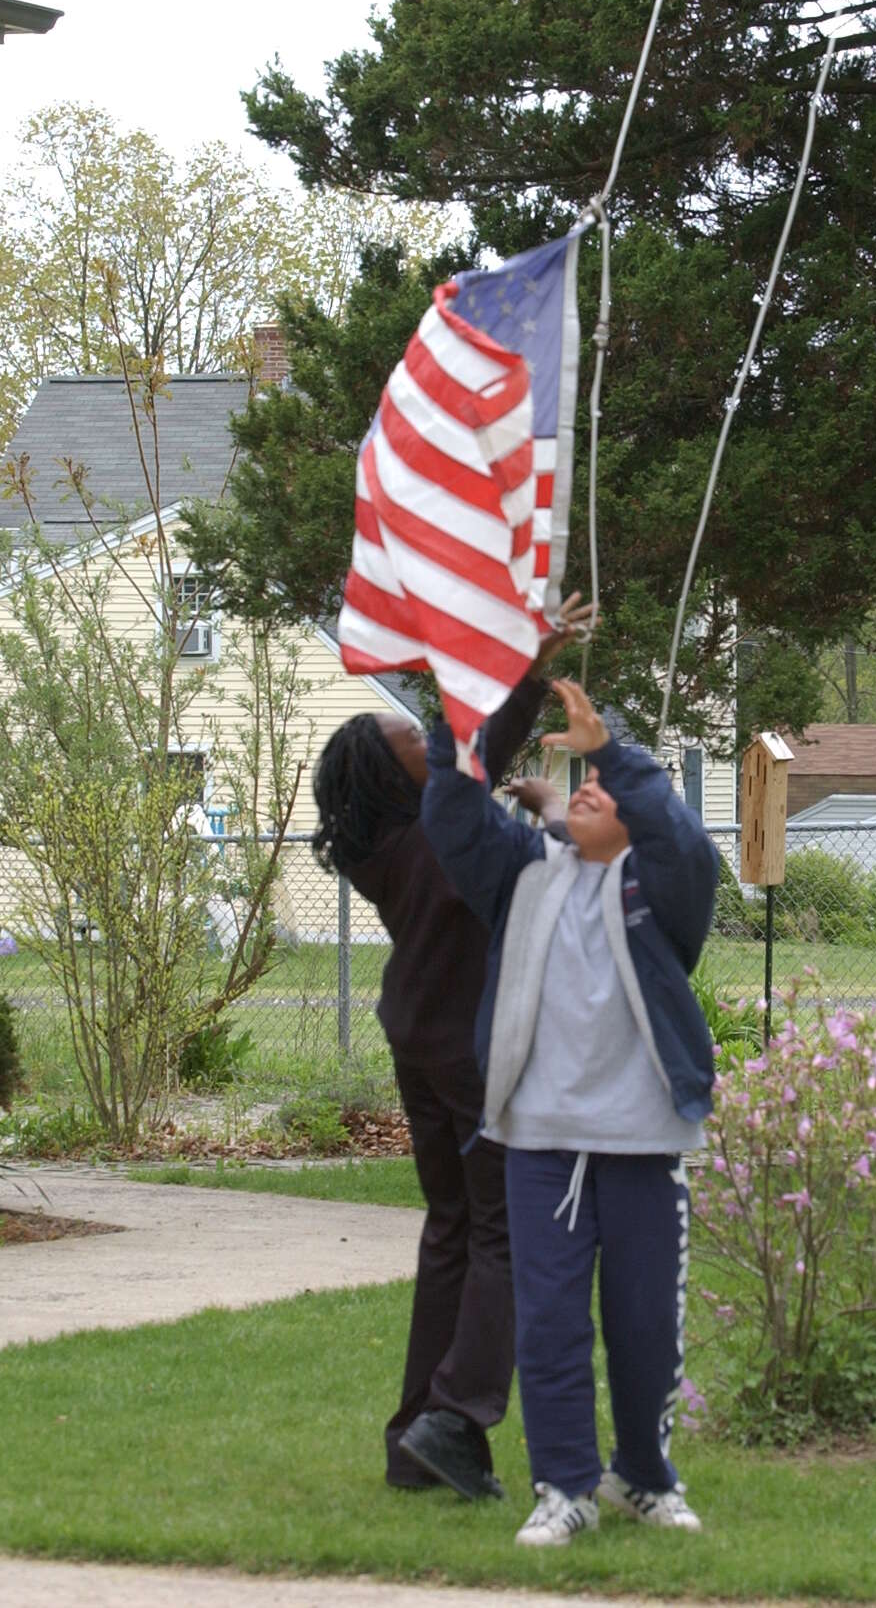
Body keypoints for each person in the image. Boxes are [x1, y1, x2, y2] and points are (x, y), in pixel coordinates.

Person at [422, 678, 719, 1547]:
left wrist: (606, 750)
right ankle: (565, 1488)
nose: (591, 789)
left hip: (642, 1143)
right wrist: (457, 713)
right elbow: (451, 808)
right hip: (541, 1141)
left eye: (607, 791)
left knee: (644, 1327)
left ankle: (643, 1479)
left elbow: (683, 840)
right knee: (549, 1324)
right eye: (581, 788)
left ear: (630, 821)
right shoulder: (521, 876)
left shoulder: (663, 894)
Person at [310, 602, 589, 1502]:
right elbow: (470, 747)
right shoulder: (432, 829)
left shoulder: (384, 846)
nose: (426, 746)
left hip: (419, 1039)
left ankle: (411, 1444)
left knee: (453, 1232)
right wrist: (530, 661)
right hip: (473, 1048)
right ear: (397, 780)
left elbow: (462, 750)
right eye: (409, 744)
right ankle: (456, 1415)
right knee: (508, 1228)